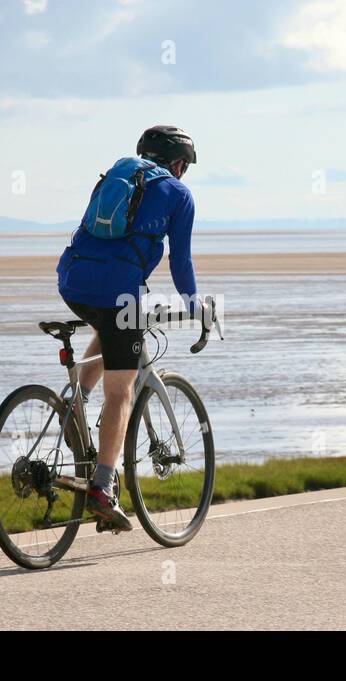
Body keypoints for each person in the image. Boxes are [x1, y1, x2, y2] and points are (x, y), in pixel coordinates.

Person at [56, 125, 200, 532]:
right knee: (120, 392)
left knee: (110, 325)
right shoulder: (178, 194)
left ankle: (74, 402)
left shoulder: (117, 174)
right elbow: (181, 262)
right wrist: (194, 306)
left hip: (72, 280)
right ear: (177, 164)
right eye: (184, 166)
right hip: (119, 290)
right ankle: (102, 487)